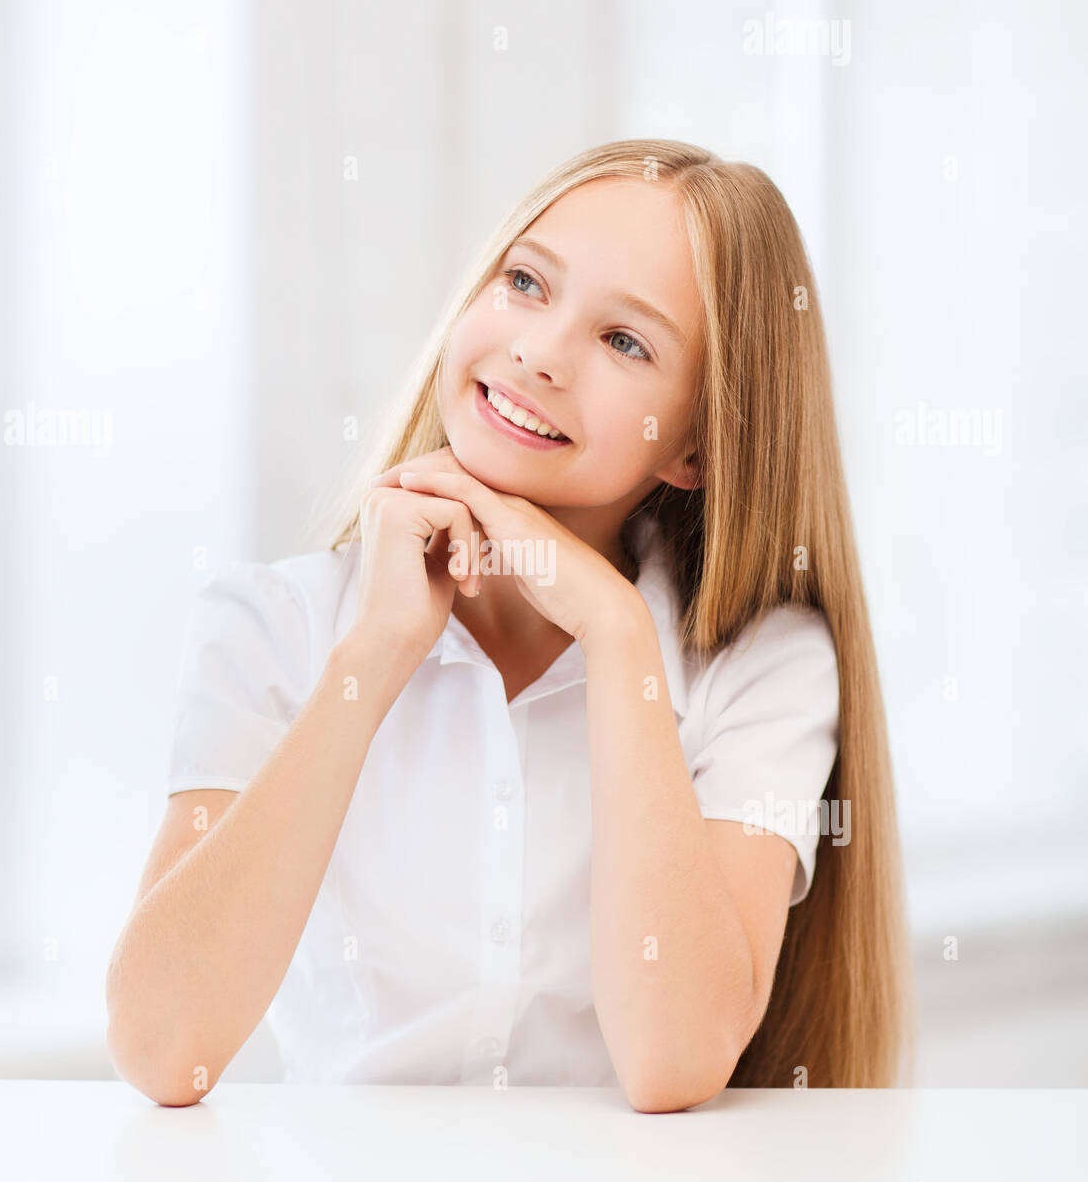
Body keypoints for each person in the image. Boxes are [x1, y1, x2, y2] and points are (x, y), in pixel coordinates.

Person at [105, 139, 915, 1112]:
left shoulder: (760, 665)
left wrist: (618, 637)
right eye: (526, 282)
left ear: (695, 447)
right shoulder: (272, 627)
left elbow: (674, 1060)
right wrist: (375, 652)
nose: (538, 352)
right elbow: (164, 1047)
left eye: (625, 342)